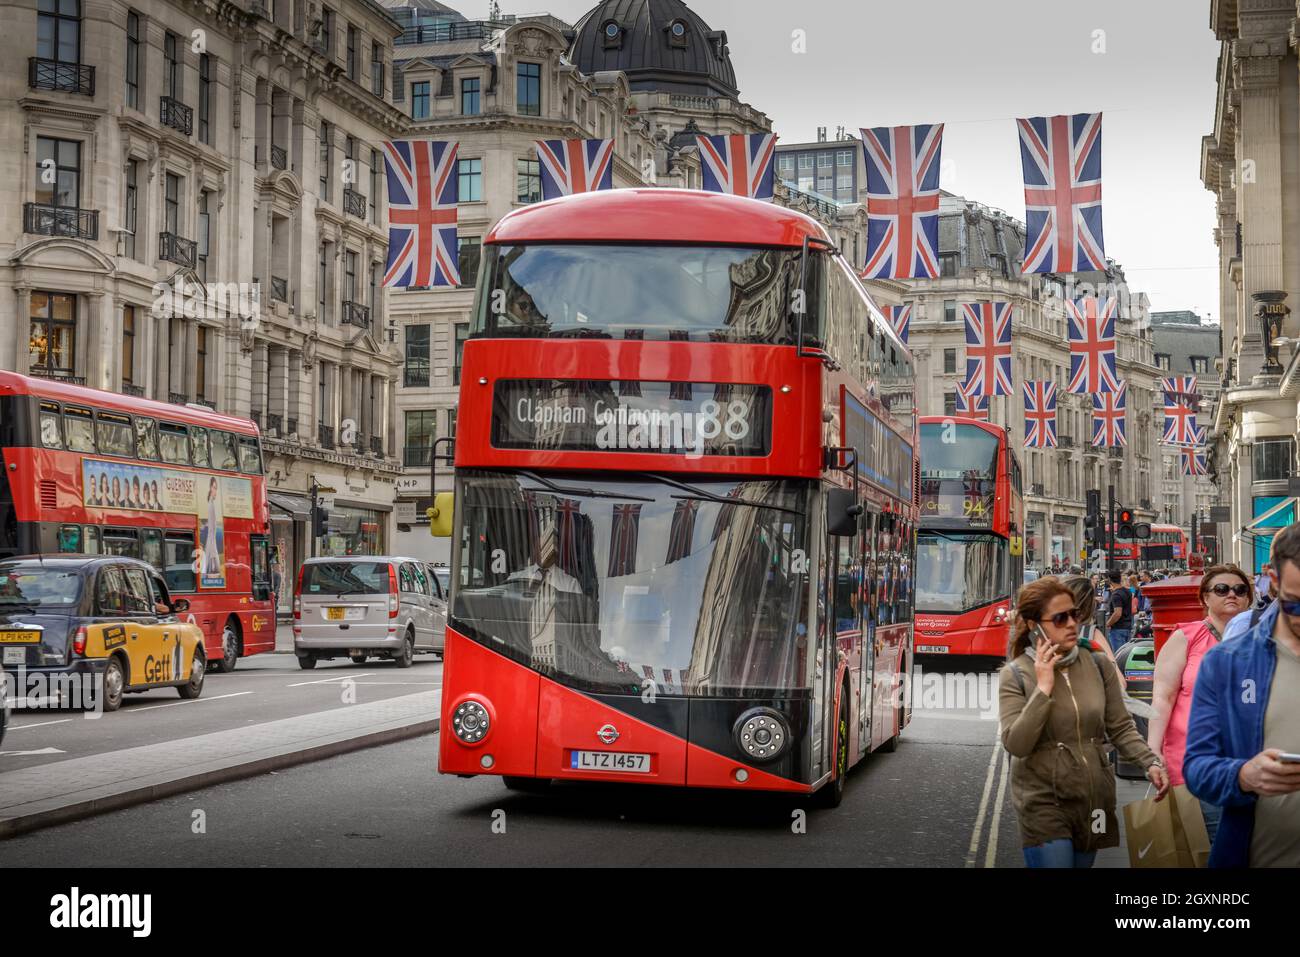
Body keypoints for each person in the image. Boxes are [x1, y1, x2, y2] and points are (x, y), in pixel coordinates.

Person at [1000, 577, 1168, 868]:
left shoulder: (1097, 664)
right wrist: (1043, 689)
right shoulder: (1016, 674)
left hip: (1093, 800)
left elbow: (1120, 726)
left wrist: (1150, 762)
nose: (1071, 624)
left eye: (1074, 615)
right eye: (1059, 618)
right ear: (1032, 625)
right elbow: (1017, 743)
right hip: (1043, 800)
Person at [1185, 523, 1300, 867]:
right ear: (1273, 580)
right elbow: (1197, 767)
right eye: (1296, 605)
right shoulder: (1227, 662)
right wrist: (1243, 776)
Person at [1147, 564, 1254, 845]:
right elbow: (1163, 696)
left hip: (1249, 762)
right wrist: (1153, 751)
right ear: (1205, 598)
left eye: (1240, 590)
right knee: (1208, 845)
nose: (1232, 594)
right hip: (1195, 761)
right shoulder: (1186, 637)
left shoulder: (1258, 640)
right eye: (1222, 589)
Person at [1104, 568, 1133, 652]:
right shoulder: (1128, 592)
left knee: (1118, 655)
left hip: (1118, 629)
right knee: (1125, 655)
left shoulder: (1116, 595)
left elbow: (1117, 613)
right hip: (1127, 627)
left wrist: (1108, 623)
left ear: (1110, 580)